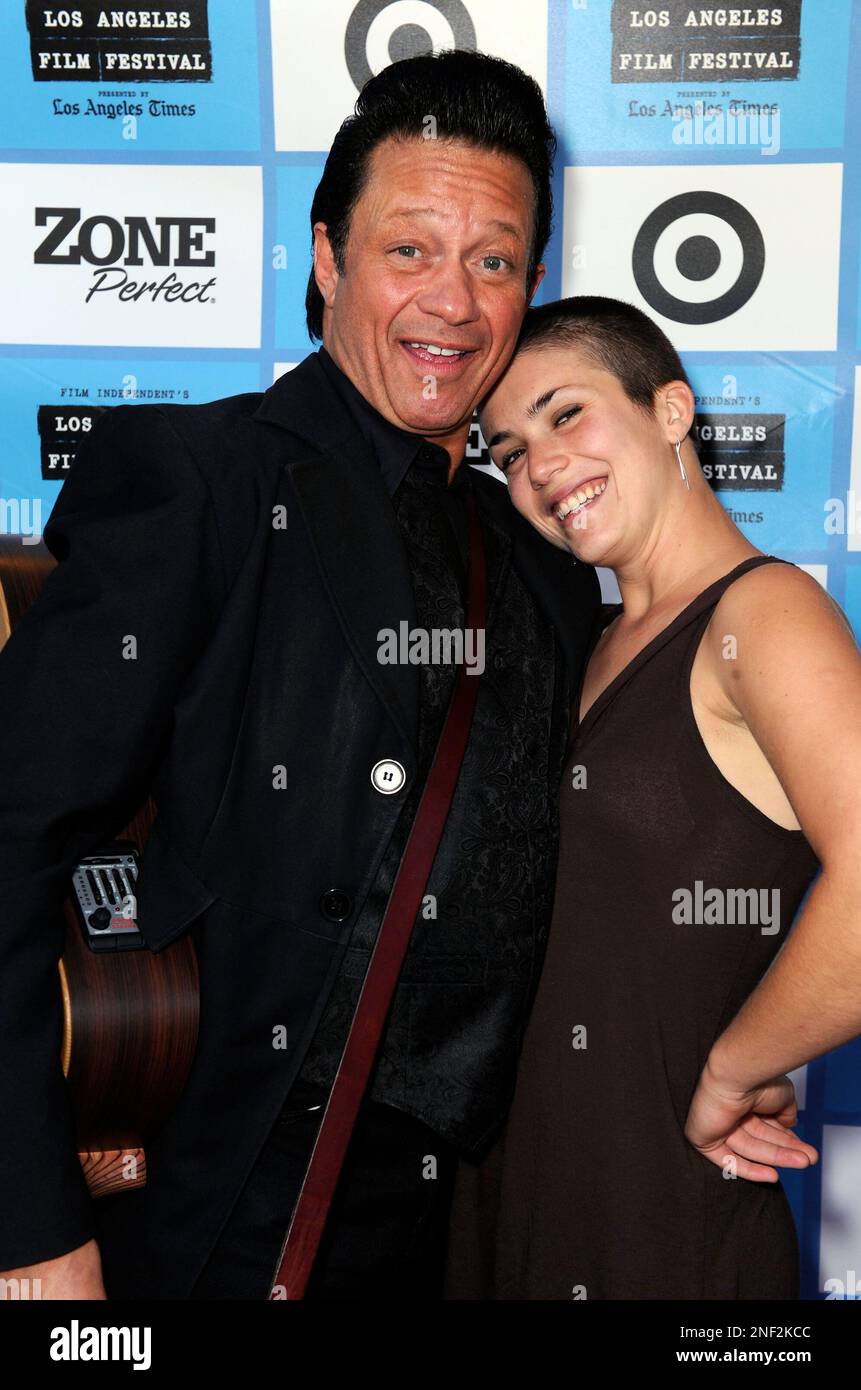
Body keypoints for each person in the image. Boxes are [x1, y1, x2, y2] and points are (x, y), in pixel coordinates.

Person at [0, 52, 603, 1301]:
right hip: (215, 1216)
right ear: (327, 257)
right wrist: (29, 1221)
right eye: (408, 250)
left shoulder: (539, 565)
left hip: (465, 1231)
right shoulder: (198, 481)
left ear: (533, 286)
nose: (452, 301)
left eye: (493, 260)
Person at [444, 296, 861, 1300]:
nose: (539, 465)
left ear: (671, 409)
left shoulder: (763, 613)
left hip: (659, 1208)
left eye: (565, 413)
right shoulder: (582, 639)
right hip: (520, 1187)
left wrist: (731, 1069)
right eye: (508, 448)